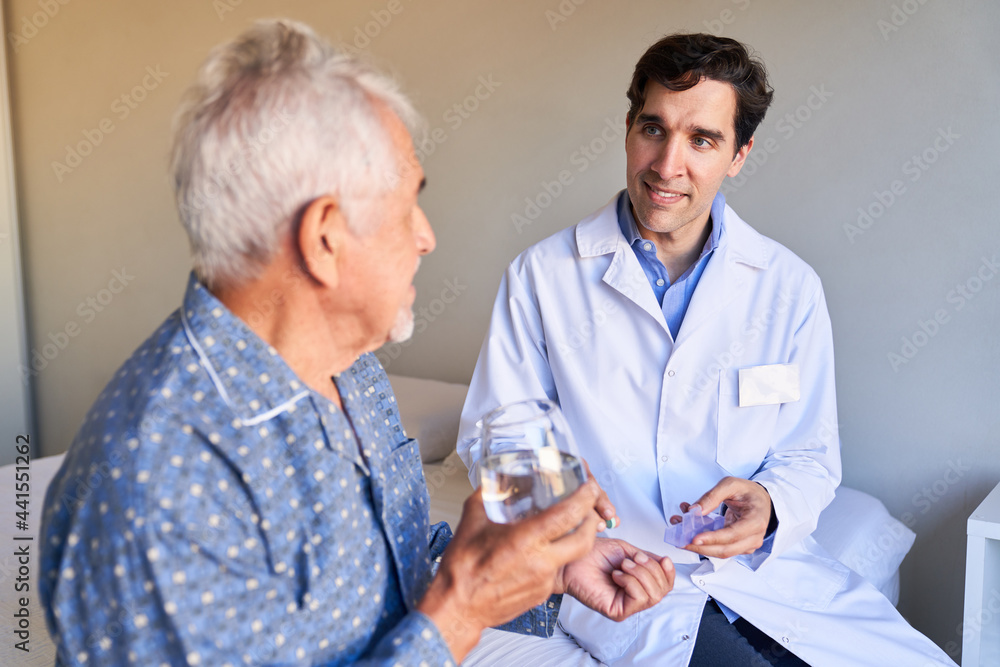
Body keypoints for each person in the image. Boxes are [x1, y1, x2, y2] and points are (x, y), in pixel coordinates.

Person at [38, 19, 676, 666]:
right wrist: (460, 613)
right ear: (323, 239)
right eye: (407, 209)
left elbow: (388, 571)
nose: (426, 237)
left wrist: (537, 569)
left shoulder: (352, 371)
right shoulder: (162, 481)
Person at [458, 33, 957, 666]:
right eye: (653, 128)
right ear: (629, 127)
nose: (668, 165)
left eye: (702, 140)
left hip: (763, 577)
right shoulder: (544, 275)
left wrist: (770, 505)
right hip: (626, 571)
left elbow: (807, 454)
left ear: (739, 153)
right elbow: (500, 434)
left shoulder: (787, 286)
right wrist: (564, 534)